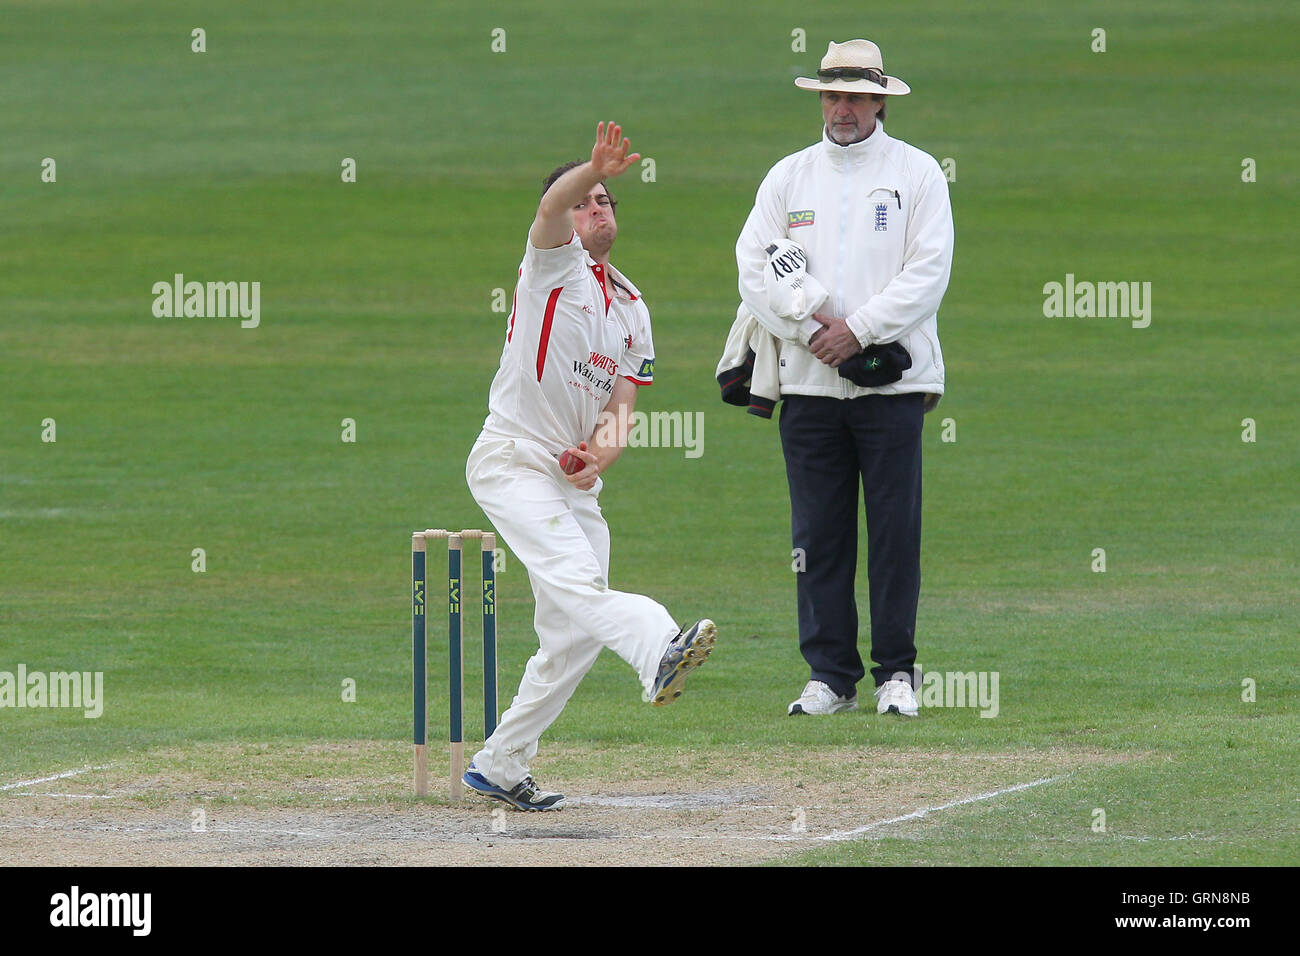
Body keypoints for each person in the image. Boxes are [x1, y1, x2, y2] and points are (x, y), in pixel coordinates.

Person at [463, 121, 717, 811]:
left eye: (604, 200)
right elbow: (550, 208)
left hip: (572, 481)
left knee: (572, 635)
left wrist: (599, 452)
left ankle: (500, 762)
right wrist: (590, 171)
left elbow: (621, 405)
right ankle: (658, 645)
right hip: (512, 457)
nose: (595, 206)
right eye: (585, 200)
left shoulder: (632, 308)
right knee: (579, 585)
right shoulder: (552, 263)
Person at [734, 39, 954, 718]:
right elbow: (754, 269)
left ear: (879, 102)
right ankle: (829, 676)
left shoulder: (917, 172)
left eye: (856, 97)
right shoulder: (789, 177)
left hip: (892, 384)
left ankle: (897, 674)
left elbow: (928, 274)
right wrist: (810, 330)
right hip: (807, 383)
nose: (843, 109)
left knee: (894, 534)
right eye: (833, 95)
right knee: (817, 537)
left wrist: (857, 330)